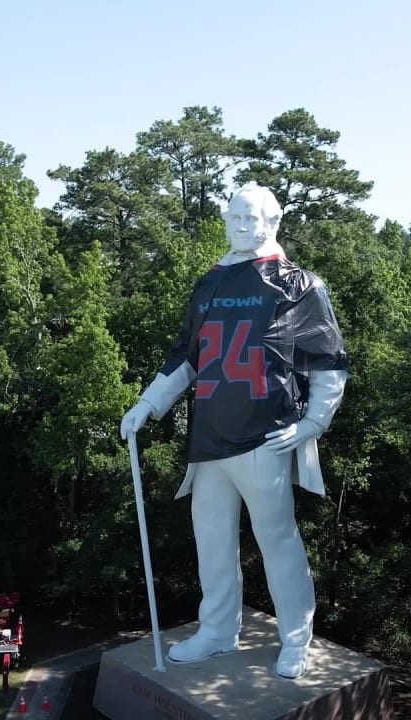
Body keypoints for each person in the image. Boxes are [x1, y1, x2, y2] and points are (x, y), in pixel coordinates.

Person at [120, 182, 349, 680]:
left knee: (277, 539)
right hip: (210, 441)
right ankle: (219, 631)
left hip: (266, 436)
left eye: (252, 219)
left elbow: (328, 361)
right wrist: (147, 403)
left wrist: (314, 420)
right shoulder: (210, 282)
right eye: (235, 218)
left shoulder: (299, 285)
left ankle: (295, 640)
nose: (242, 227)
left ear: (274, 221)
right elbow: (188, 356)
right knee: (212, 541)